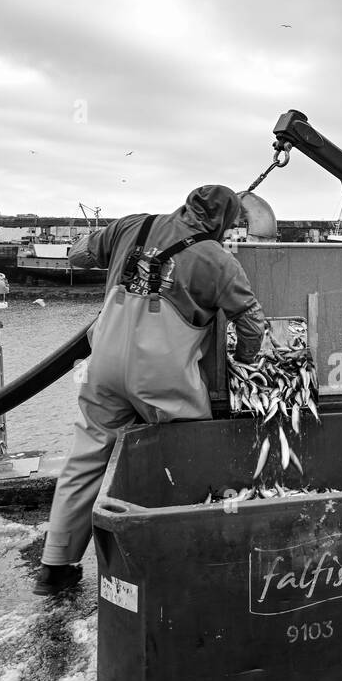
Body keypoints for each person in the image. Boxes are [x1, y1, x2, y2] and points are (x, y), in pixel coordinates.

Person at [35, 184, 267, 595]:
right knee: (191, 457)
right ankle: (188, 564)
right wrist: (247, 362)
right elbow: (251, 323)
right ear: (226, 222)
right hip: (163, 377)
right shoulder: (218, 260)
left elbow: (77, 255)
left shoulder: (133, 225)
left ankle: (56, 564)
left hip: (104, 364)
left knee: (86, 459)